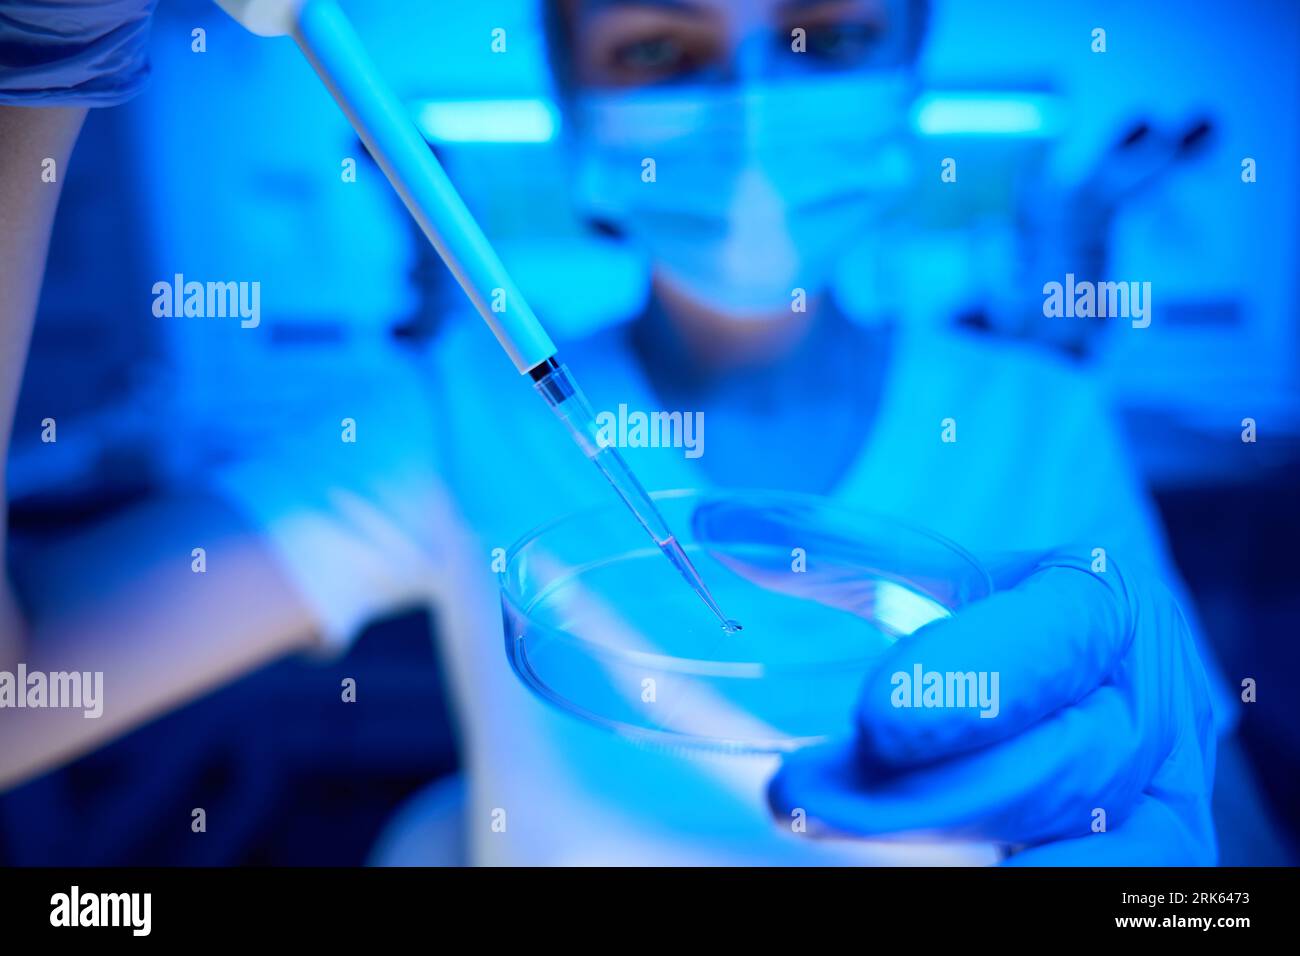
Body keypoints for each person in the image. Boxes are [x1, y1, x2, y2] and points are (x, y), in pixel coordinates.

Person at [0, 0, 1269, 864]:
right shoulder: (459, 407)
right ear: (569, 94)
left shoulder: (1038, 420)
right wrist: (35, 69)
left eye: (825, 33)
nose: (754, 108)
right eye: (662, 52)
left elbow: (1236, 853)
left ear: (910, 59)